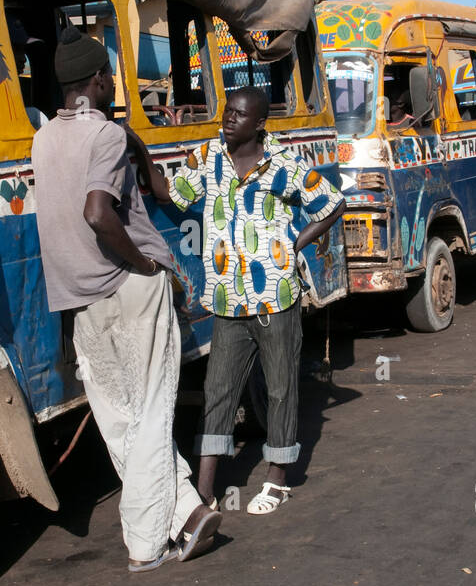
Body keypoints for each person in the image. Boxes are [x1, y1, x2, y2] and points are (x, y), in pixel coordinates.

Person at [30, 28, 220, 571]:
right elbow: (97, 211)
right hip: (132, 289)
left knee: (122, 421)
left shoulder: (43, 139)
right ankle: (147, 544)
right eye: (109, 73)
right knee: (154, 415)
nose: (113, 80)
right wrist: (142, 264)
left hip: (81, 301)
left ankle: (186, 511)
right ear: (96, 80)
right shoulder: (105, 137)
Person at [130, 86, 344, 514]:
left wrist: (294, 243)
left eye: (239, 115)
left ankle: (278, 478)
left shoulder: (283, 164)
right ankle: (206, 492)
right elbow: (171, 193)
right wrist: (138, 147)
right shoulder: (209, 157)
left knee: (281, 388)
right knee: (218, 392)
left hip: (275, 297)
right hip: (227, 299)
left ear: (260, 123)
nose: (228, 119)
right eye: (227, 112)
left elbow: (332, 203)